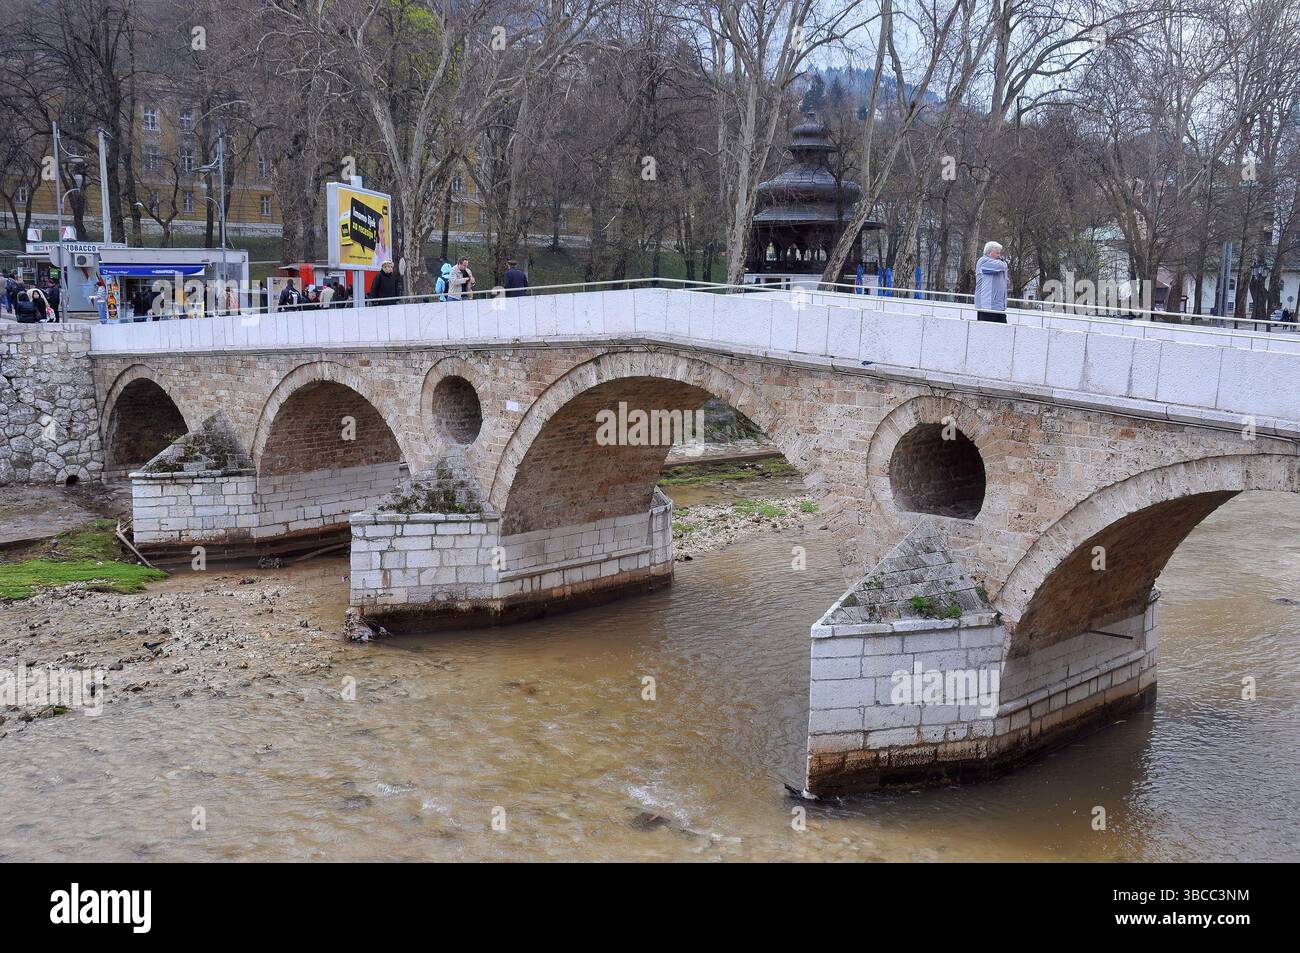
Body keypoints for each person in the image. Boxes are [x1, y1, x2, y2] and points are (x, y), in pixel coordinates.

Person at [974, 241, 1008, 323]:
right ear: (989, 252)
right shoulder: (983, 261)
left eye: (999, 253)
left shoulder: (997, 262)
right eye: (997, 253)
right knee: (986, 332)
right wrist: (1004, 263)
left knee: (1003, 332)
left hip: (999, 306)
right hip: (987, 306)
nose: (999, 255)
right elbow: (1001, 266)